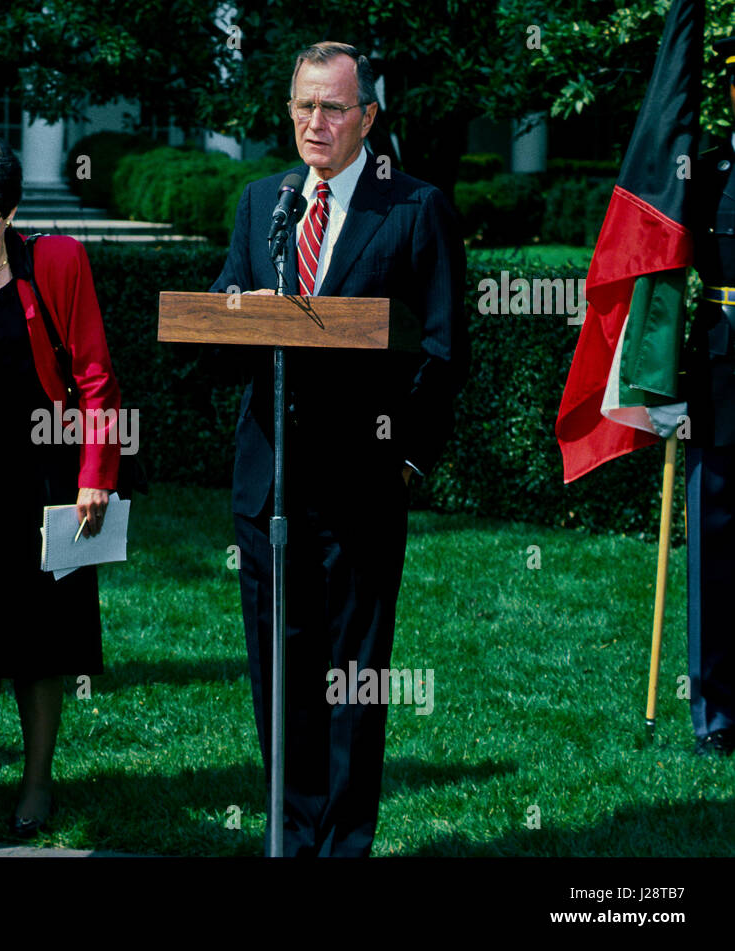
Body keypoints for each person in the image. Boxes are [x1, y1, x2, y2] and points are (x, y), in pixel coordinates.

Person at [208, 42, 467, 856]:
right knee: (279, 674)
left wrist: (407, 457)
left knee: (351, 678)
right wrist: (234, 312)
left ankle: (344, 845)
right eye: (303, 107)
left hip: (362, 485)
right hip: (270, 486)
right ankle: (288, 835)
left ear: (368, 118)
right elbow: (220, 317)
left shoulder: (415, 207)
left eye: (332, 108)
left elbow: (445, 347)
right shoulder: (263, 202)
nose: (315, 124)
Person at [0, 134, 121, 836]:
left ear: (10, 213)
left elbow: (97, 377)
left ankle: (37, 783)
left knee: (43, 647)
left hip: (47, 479)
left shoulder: (59, 260)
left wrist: (95, 475)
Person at [682, 35, 735, 758]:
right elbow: (658, 259)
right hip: (722, 370)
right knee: (716, 542)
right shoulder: (706, 168)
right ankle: (718, 711)